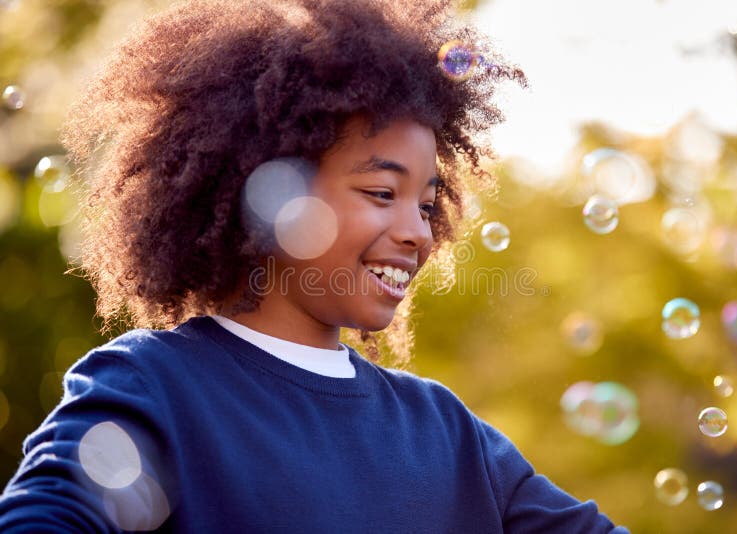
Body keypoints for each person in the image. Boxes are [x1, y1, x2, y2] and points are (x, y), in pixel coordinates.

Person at [0, 0, 629, 531]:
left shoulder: (447, 434)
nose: (416, 231)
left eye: (429, 203)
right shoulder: (155, 388)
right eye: (382, 193)